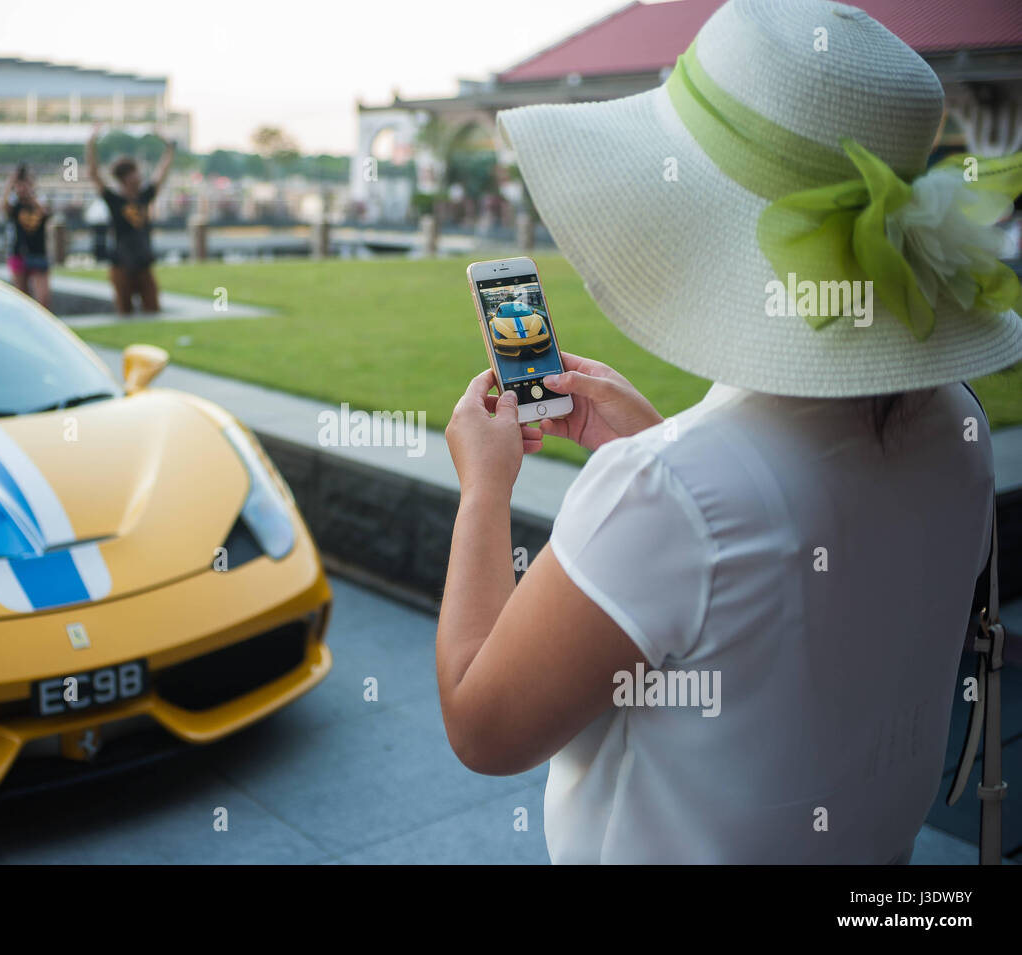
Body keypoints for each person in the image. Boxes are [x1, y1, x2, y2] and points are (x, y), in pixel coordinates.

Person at [436, 0, 1022, 864]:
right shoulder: (957, 423)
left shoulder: (667, 495)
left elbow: (483, 724)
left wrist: (484, 494)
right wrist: (659, 439)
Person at [86, 124, 176, 316]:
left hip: (143, 260)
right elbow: (94, 174)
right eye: (135, 172)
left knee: (153, 309)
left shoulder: (144, 197)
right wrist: (91, 143)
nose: (139, 175)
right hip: (121, 263)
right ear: (125, 177)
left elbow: (162, 172)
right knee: (124, 312)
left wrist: (169, 147)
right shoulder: (114, 200)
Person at [0, 164, 52, 309]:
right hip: (19, 253)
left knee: (44, 299)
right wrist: (9, 184)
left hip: (38, 253)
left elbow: (46, 213)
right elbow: (3, 207)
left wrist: (31, 195)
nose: (22, 188)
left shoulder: (38, 204)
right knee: (21, 298)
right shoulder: (15, 206)